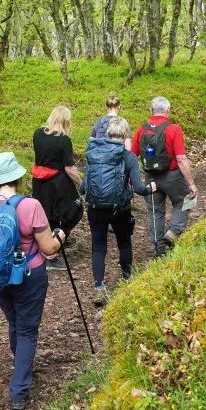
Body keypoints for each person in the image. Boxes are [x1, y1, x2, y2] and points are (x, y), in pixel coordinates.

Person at [0, 152, 66, 410]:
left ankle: (21, 361)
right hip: (29, 274)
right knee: (27, 329)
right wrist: (60, 236)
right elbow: (49, 249)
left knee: (15, 321)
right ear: (18, 178)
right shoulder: (30, 206)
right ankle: (19, 390)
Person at [82, 117, 155, 306]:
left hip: (96, 208)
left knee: (98, 247)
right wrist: (150, 188)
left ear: (107, 134)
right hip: (120, 209)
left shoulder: (94, 153)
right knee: (124, 243)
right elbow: (138, 188)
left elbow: (83, 188)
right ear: (124, 135)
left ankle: (99, 287)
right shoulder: (128, 156)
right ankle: (126, 280)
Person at [132, 97, 198, 255]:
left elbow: (132, 156)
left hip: (150, 177)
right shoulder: (174, 129)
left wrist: (130, 178)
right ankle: (173, 232)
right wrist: (191, 183)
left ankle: (158, 247)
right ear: (168, 111)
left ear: (151, 111)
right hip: (173, 176)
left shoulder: (142, 129)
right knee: (185, 200)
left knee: (155, 210)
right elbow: (181, 159)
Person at [31, 105, 83, 270]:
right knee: (74, 210)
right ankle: (54, 249)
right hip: (58, 182)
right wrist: (82, 183)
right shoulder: (63, 140)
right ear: (66, 121)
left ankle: (54, 241)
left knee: (47, 214)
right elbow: (69, 168)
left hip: (39, 181)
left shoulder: (38, 133)